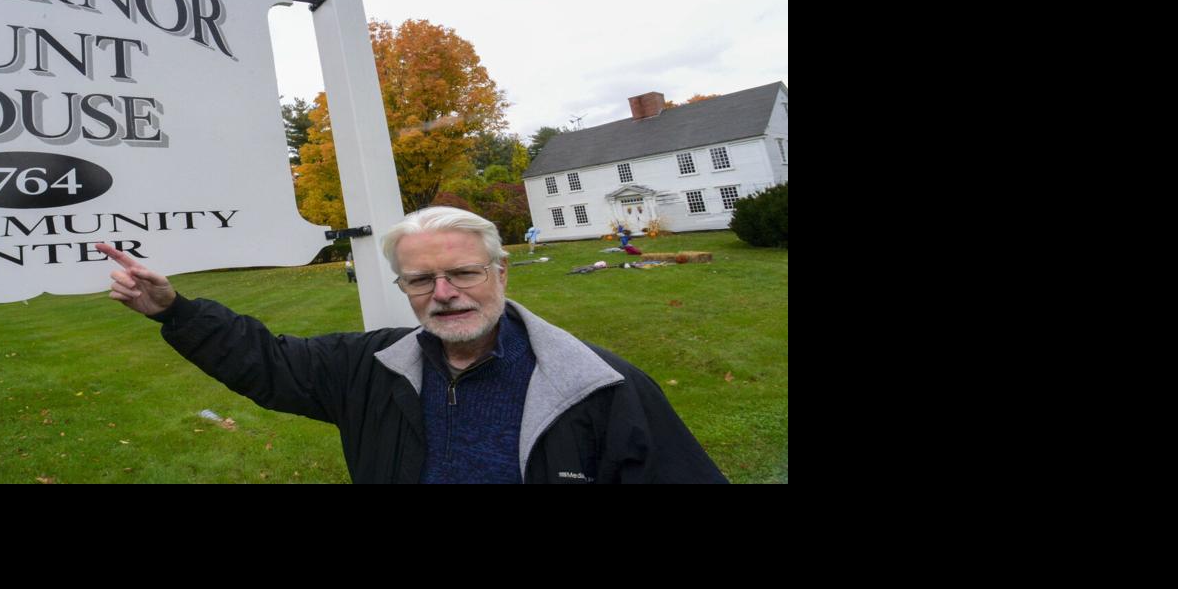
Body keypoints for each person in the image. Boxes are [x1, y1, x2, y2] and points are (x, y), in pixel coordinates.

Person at [98, 206, 728, 483]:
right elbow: (267, 363)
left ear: (501, 274)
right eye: (422, 279)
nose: (446, 292)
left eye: (465, 273)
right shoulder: (370, 367)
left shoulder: (595, 386)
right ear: (403, 287)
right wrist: (175, 311)